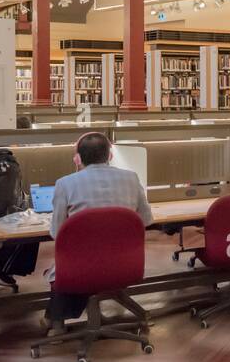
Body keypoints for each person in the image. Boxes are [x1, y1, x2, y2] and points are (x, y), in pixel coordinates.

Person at [43, 132, 153, 332]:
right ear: (110, 155)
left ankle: (56, 322)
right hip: (125, 263)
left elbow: (57, 233)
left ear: (78, 158)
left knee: (68, 263)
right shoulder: (131, 177)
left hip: (83, 267)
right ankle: (55, 319)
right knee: (79, 261)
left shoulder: (65, 184)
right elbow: (146, 220)